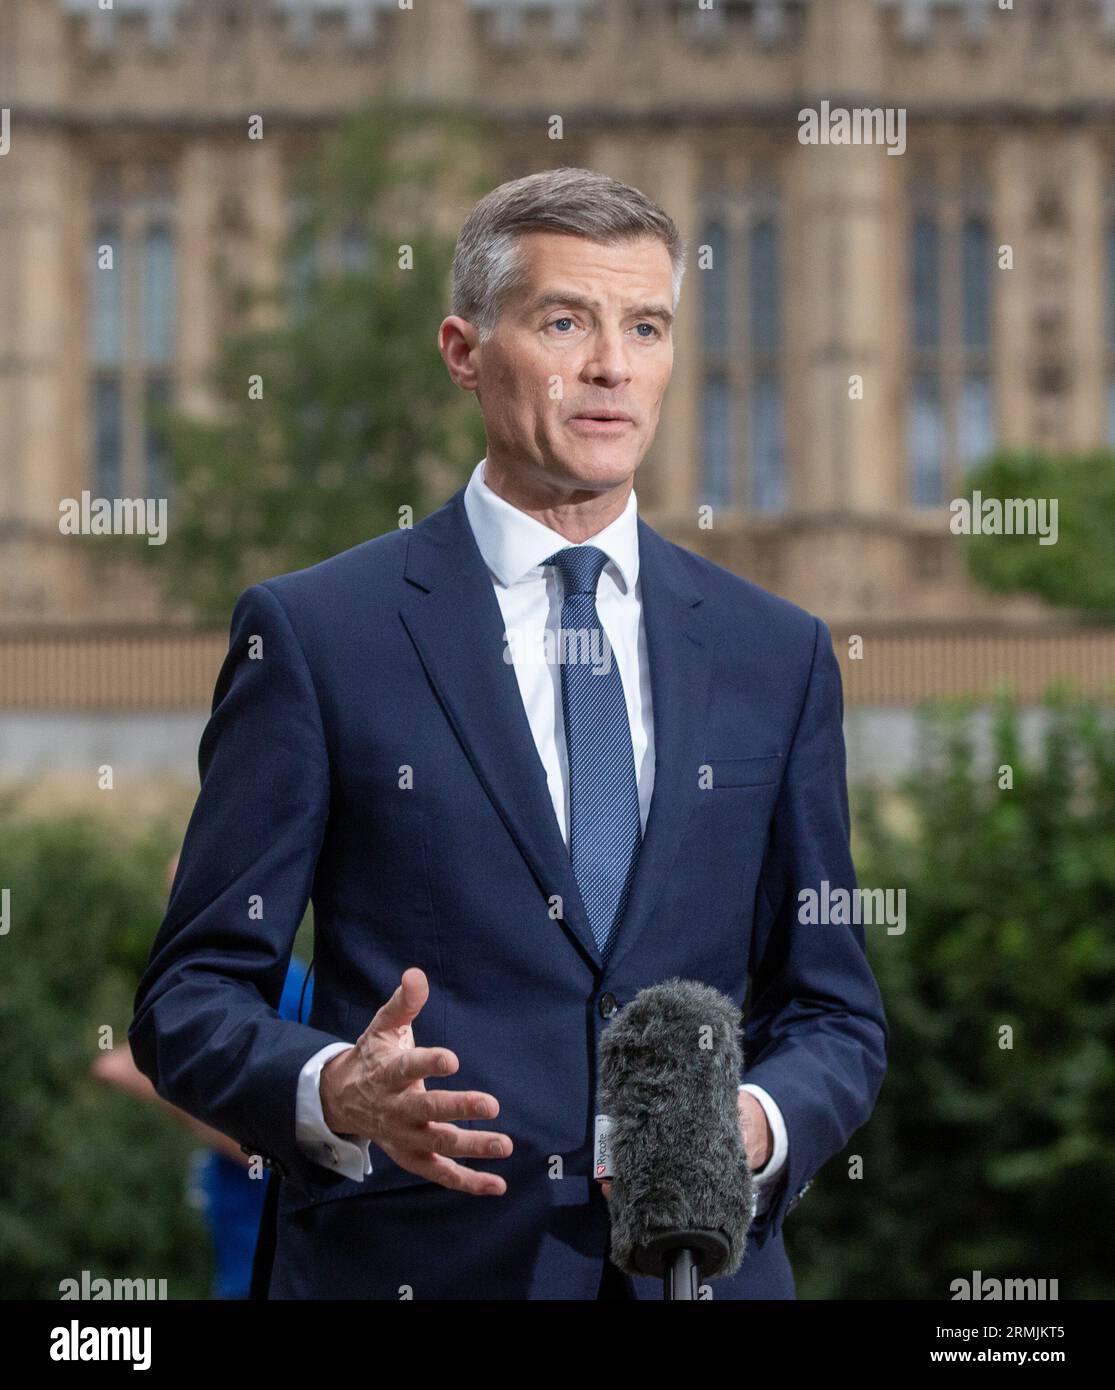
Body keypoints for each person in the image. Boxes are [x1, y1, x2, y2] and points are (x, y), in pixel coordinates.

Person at [129, 166, 887, 1300]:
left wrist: (756, 1125)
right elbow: (188, 999)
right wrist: (334, 1089)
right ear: (462, 348)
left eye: (645, 326)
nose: (610, 366)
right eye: (564, 321)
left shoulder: (773, 651)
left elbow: (831, 1009)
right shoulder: (317, 632)